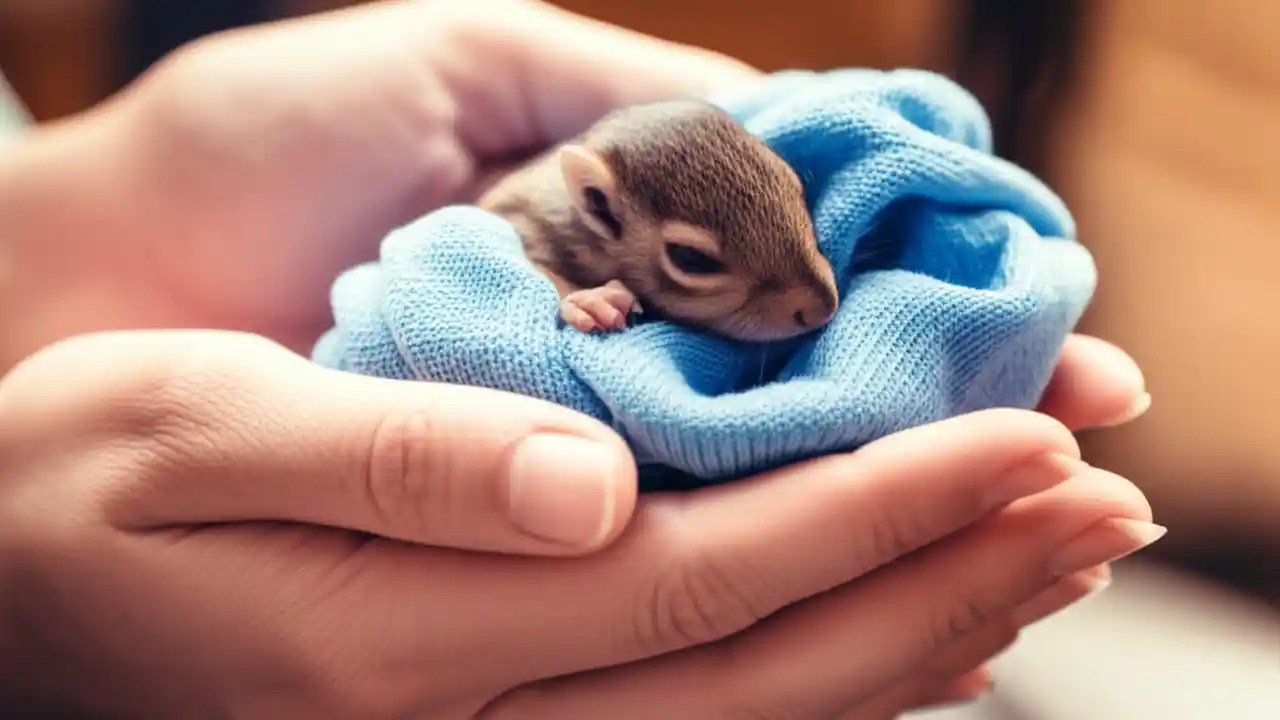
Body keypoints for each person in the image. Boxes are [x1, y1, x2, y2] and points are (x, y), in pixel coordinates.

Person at [0, 1, 1161, 717]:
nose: (808, 302)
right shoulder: (542, 220)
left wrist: (49, 230)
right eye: (706, 267)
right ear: (601, 212)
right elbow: (496, 249)